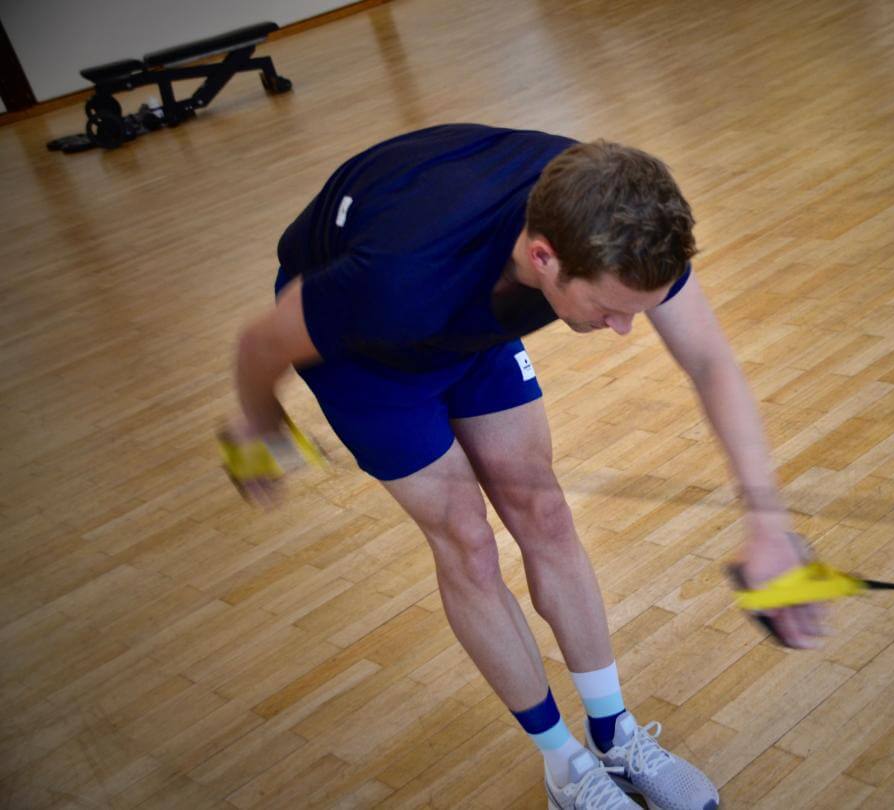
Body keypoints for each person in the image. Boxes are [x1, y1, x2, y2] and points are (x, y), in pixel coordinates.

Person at [230, 123, 826, 810]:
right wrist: (259, 426)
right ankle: (563, 763)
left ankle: (614, 733)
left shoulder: (618, 213)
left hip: (473, 317)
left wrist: (768, 527)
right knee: (468, 541)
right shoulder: (392, 279)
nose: (624, 329)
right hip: (369, 354)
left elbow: (710, 362)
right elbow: (259, 341)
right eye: (607, 310)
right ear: (543, 257)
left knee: (543, 509)